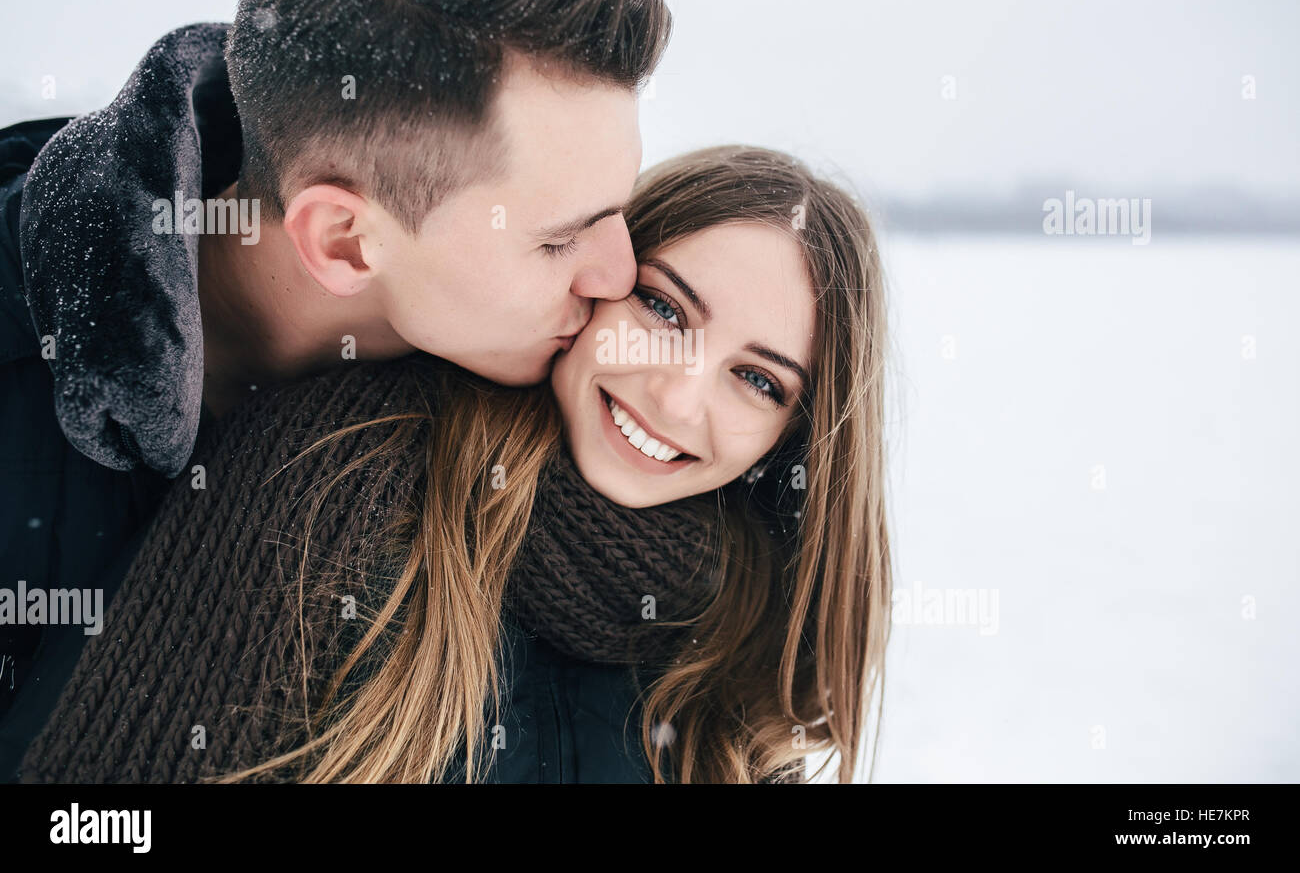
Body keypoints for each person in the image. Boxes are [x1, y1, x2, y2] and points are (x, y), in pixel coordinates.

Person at [0, 0, 669, 781]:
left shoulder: (545, 390)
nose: (620, 275)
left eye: (621, 210)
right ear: (346, 240)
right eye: (557, 241)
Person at [21, 146, 893, 784]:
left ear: (794, 435)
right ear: (599, 272)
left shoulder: (747, 644)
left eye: (755, 379)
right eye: (664, 308)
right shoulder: (341, 473)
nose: (676, 398)